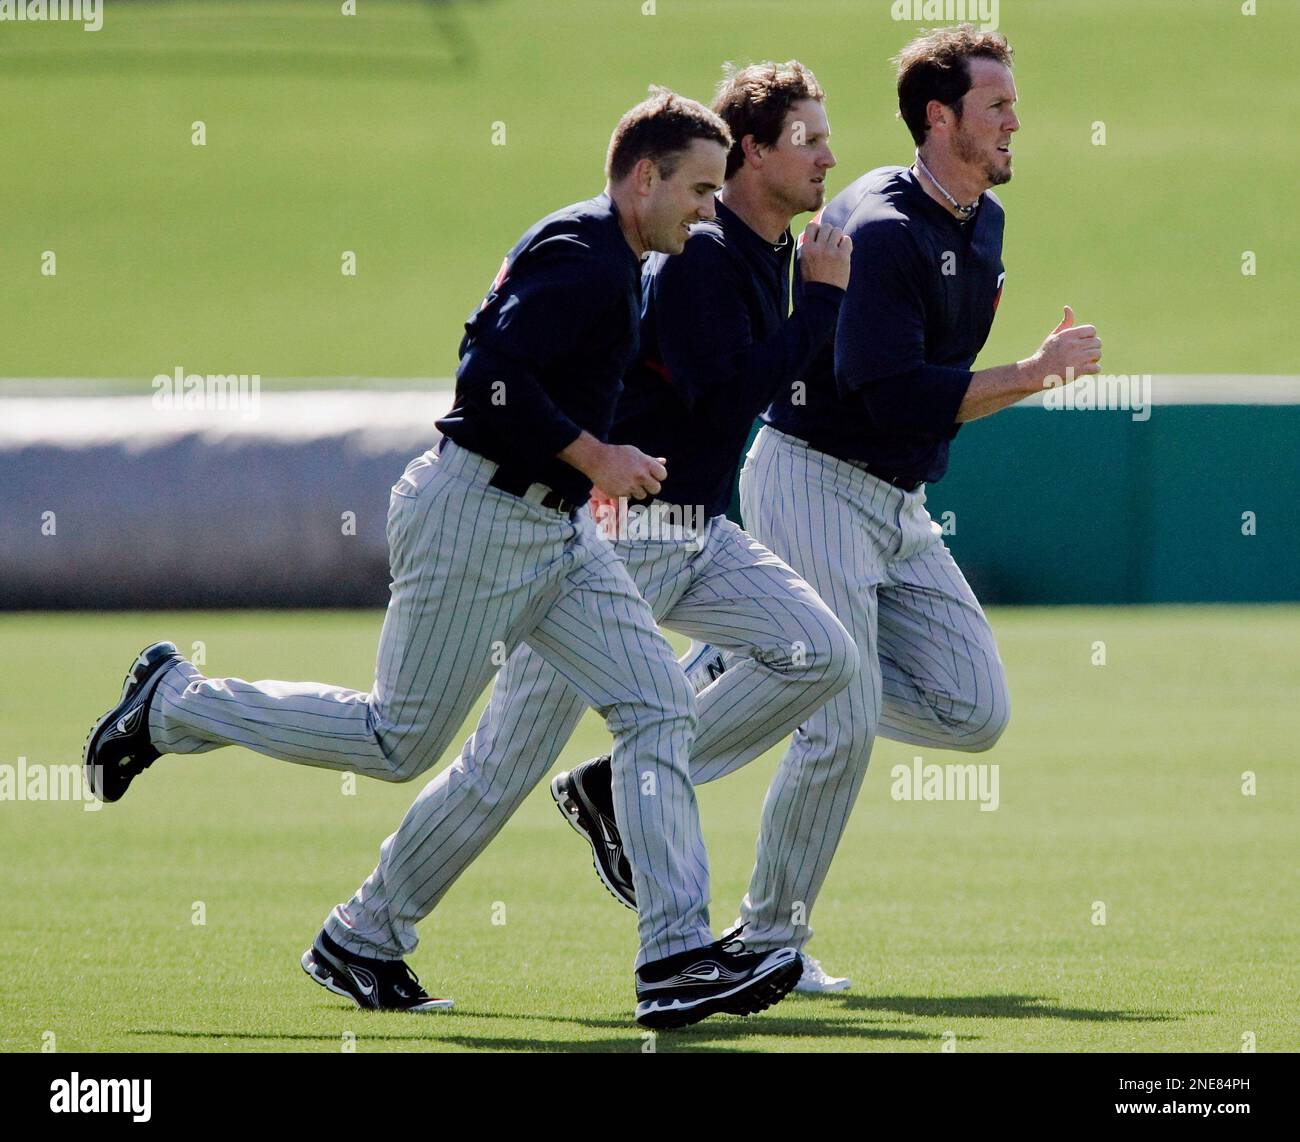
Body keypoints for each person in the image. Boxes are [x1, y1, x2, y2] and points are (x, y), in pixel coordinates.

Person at [81, 89, 804, 1031]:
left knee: (657, 705)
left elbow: (514, 366)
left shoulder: (610, 253)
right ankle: (175, 705)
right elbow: (485, 378)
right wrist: (597, 455)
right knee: (398, 742)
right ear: (643, 176)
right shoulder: (586, 255)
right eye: (699, 189)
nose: (709, 210)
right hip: (480, 517)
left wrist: (594, 462)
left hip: (554, 528)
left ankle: (672, 957)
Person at [316, 59, 863, 1014]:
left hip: (691, 528)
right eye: (807, 138)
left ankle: (637, 853)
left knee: (819, 652)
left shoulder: (751, 251)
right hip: (625, 532)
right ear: (746, 159)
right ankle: (367, 929)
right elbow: (721, 397)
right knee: (496, 764)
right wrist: (819, 308)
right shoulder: (691, 259)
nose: (827, 155)